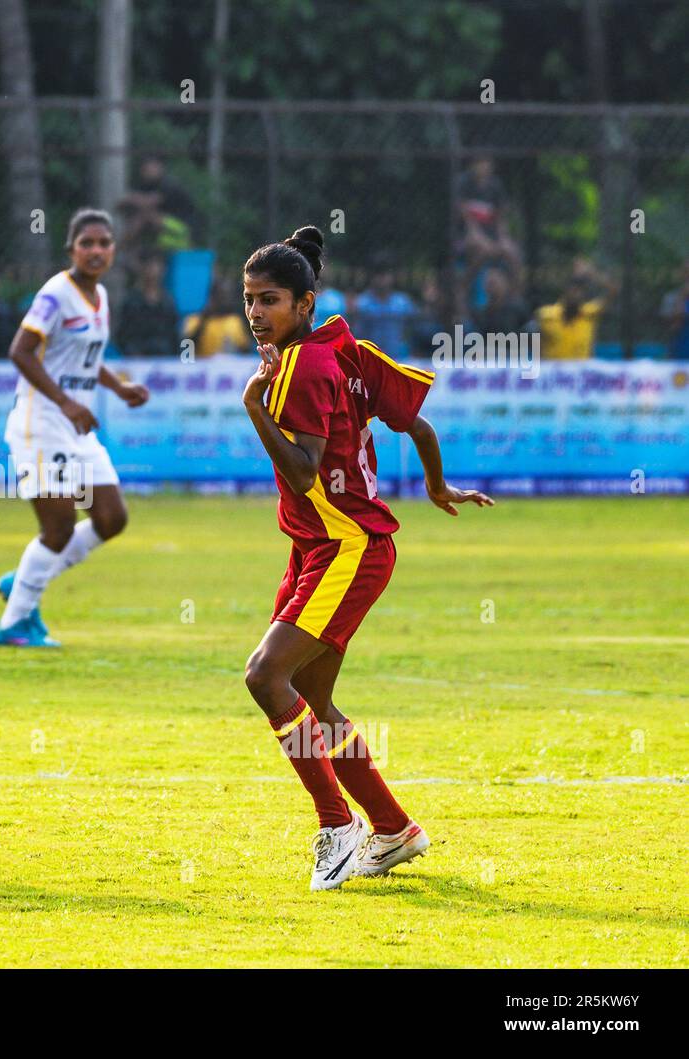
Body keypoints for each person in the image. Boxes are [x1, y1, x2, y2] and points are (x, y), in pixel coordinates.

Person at [239, 226, 493, 890]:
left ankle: (337, 825)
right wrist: (437, 484)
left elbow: (300, 472)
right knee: (313, 701)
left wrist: (253, 407)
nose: (256, 314)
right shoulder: (347, 350)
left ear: (304, 302)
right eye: (249, 300)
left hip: (342, 549)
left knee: (266, 677)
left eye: (269, 300)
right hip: (327, 547)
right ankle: (392, 826)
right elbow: (418, 424)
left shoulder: (299, 367)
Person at [0, 208, 150, 647]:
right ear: (71, 249)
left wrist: (118, 388)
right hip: (41, 423)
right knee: (58, 528)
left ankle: (25, 578)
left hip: (75, 426)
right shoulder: (55, 294)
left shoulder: (99, 297)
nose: (96, 250)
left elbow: (83, 358)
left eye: (104, 243)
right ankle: (13, 625)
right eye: (87, 243)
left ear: (114, 250)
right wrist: (64, 401)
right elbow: (21, 352)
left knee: (111, 517)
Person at [116, 252, 179, 358]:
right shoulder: (132, 301)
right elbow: (122, 335)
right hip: (138, 360)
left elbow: (175, 334)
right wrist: (133, 354)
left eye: (157, 266)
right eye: (149, 266)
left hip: (166, 358)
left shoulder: (168, 301)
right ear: (142, 269)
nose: (153, 271)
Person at [353, 262, 417, 355]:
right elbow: (357, 333)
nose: (382, 280)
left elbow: (411, 328)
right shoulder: (362, 303)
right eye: (378, 275)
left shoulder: (402, 302)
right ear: (372, 278)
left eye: (385, 275)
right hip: (370, 357)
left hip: (399, 357)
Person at [183, 273, 253, 357]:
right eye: (222, 295)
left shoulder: (235, 321)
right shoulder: (194, 320)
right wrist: (203, 321)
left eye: (228, 296)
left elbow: (246, 352)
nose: (226, 300)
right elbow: (186, 351)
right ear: (212, 296)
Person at [659, 259, 689, 360]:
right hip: (679, 355)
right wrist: (681, 298)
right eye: (687, 272)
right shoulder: (671, 297)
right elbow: (673, 327)